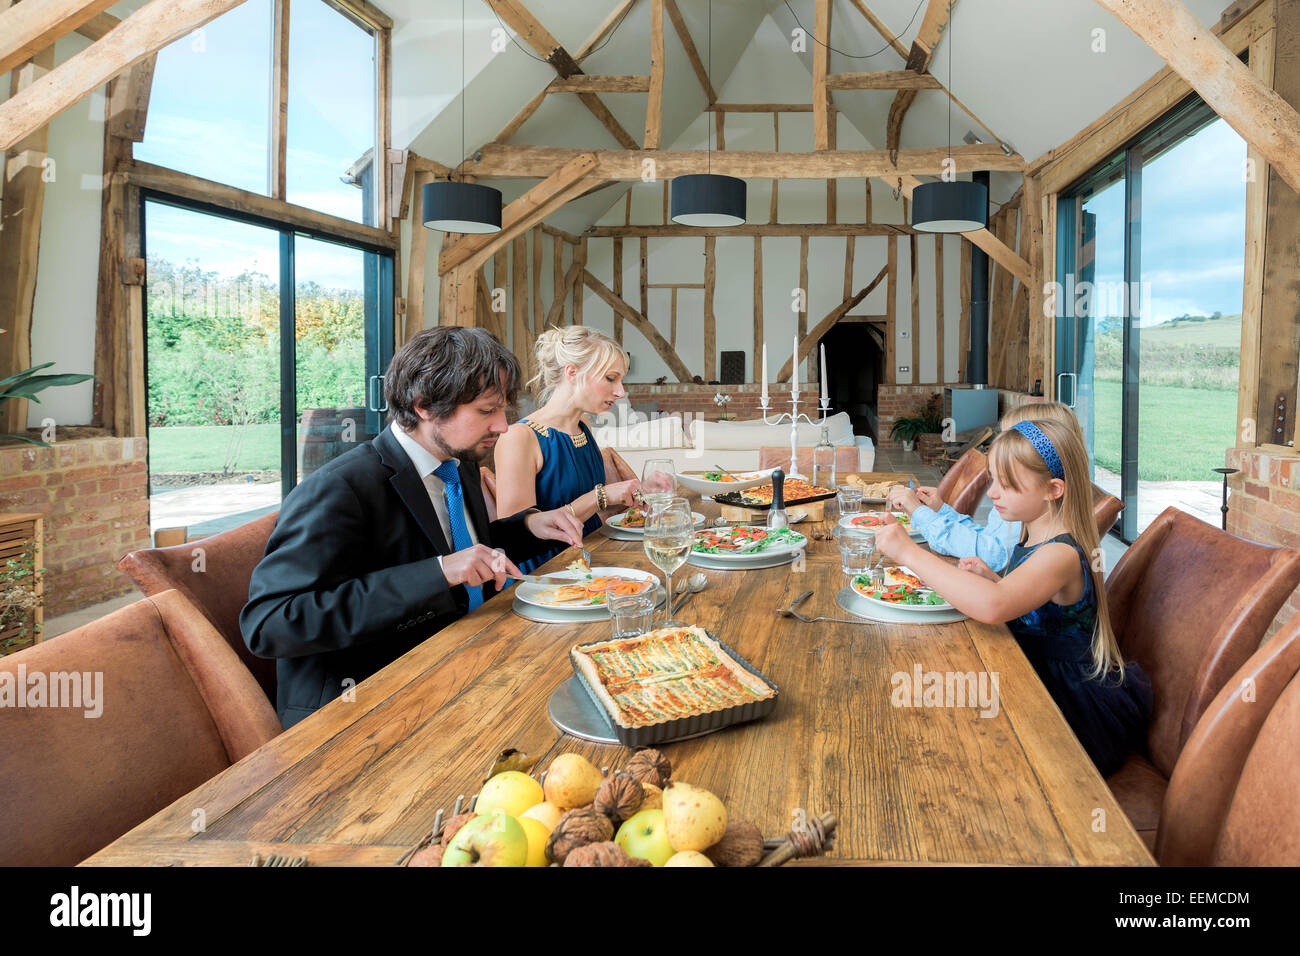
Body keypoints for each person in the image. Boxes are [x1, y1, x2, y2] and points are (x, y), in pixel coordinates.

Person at [240, 327, 584, 728]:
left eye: (504, 409)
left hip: (459, 663)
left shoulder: (459, 463)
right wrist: (438, 573)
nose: (503, 426)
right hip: (364, 708)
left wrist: (529, 526)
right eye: (487, 411)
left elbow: (467, 549)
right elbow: (270, 622)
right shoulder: (341, 488)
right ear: (424, 406)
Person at [873, 418, 1151, 776]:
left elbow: (995, 606)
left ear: (1053, 489)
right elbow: (1021, 601)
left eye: (1007, 485)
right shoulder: (1032, 533)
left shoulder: (1061, 553)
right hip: (1027, 674)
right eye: (994, 481)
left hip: (1064, 708)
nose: (993, 494)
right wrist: (992, 578)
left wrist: (910, 553)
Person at [492, 326, 642, 574]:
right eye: (610, 378)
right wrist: (600, 496)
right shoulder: (520, 437)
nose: (621, 392)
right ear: (572, 372)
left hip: (593, 560)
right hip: (548, 574)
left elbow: (590, 509)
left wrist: (632, 496)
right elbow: (514, 538)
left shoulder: (584, 427)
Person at [886, 401, 1082, 573]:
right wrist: (941, 510)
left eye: (1013, 437)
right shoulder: (1024, 510)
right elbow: (986, 538)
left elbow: (993, 556)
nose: (991, 492)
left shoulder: (1050, 543)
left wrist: (919, 518)